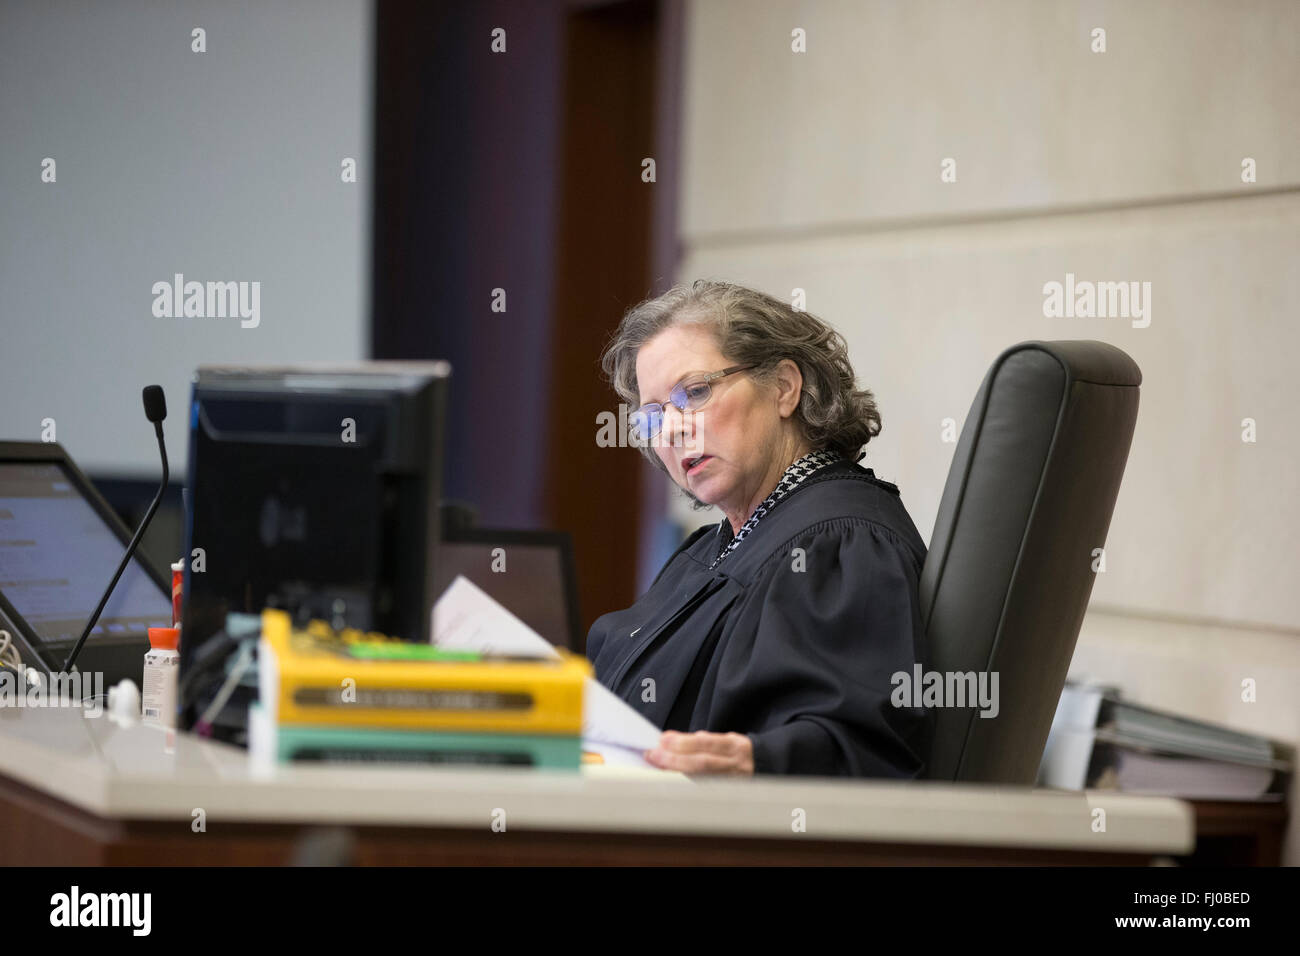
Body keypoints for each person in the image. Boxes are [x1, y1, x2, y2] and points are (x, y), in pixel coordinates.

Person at [588, 279, 933, 777]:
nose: (672, 429)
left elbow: (859, 752)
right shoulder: (713, 547)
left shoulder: (839, 541)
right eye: (652, 415)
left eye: (695, 392)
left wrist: (759, 762)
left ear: (784, 388)